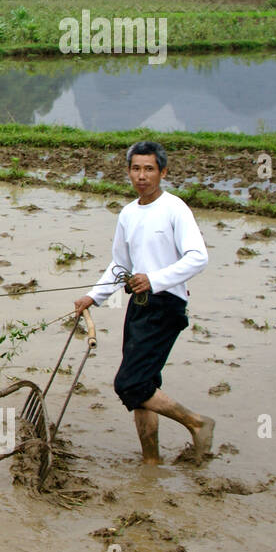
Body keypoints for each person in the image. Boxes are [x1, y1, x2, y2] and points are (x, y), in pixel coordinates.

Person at [73, 141, 214, 465]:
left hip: (166, 305)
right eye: (136, 168)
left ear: (162, 172)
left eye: (149, 168)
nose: (142, 175)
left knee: (129, 383)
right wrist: (93, 296)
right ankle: (151, 461)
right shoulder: (128, 213)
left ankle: (197, 423)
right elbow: (119, 265)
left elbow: (198, 257)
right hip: (139, 304)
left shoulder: (174, 208)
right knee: (144, 387)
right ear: (128, 172)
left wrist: (155, 278)